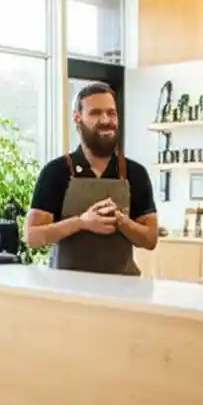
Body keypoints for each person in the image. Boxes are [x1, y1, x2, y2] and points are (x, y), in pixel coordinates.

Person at [25, 82, 158, 275]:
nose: (105, 120)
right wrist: (81, 222)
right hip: (68, 289)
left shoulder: (135, 173)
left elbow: (150, 239)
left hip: (124, 288)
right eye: (95, 113)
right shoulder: (56, 172)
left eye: (111, 113)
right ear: (77, 118)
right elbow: (32, 236)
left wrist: (120, 220)